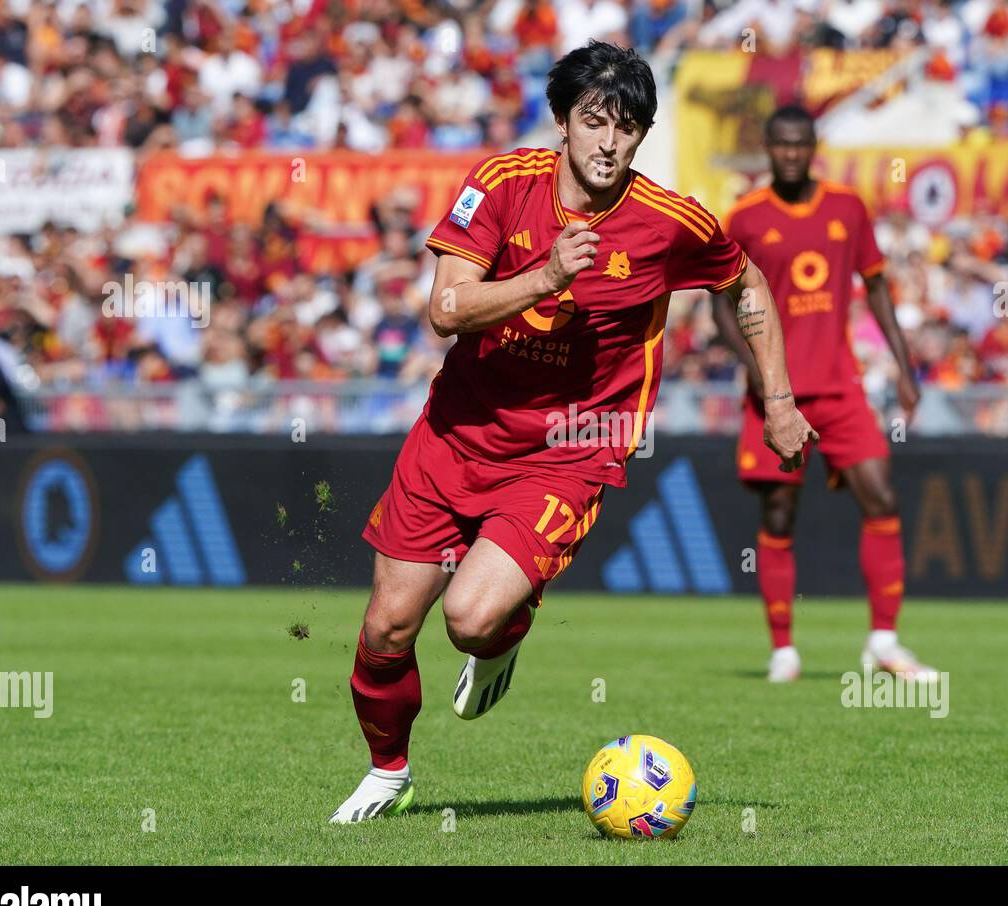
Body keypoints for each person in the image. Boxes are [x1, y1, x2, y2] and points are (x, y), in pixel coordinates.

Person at [330, 43, 816, 823]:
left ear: (642, 135)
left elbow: (746, 283)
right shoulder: (500, 184)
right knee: (387, 626)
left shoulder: (670, 223)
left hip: (570, 450)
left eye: (627, 128)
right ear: (561, 120)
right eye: (594, 121)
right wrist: (545, 277)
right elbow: (445, 311)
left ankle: (503, 635)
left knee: (469, 621)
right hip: (456, 433)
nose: (608, 142)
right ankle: (388, 773)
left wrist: (780, 400)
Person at [712, 105, 938, 684]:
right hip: (776, 392)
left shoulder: (847, 207)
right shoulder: (745, 217)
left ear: (814, 147)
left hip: (839, 385)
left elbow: (877, 286)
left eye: (801, 143)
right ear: (768, 148)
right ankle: (783, 649)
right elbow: (721, 305)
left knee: (881, 497)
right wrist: (757, 371)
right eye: (781, 144)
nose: (791, 153)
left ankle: (884, 642)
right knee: (779, 514)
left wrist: (904, 367)